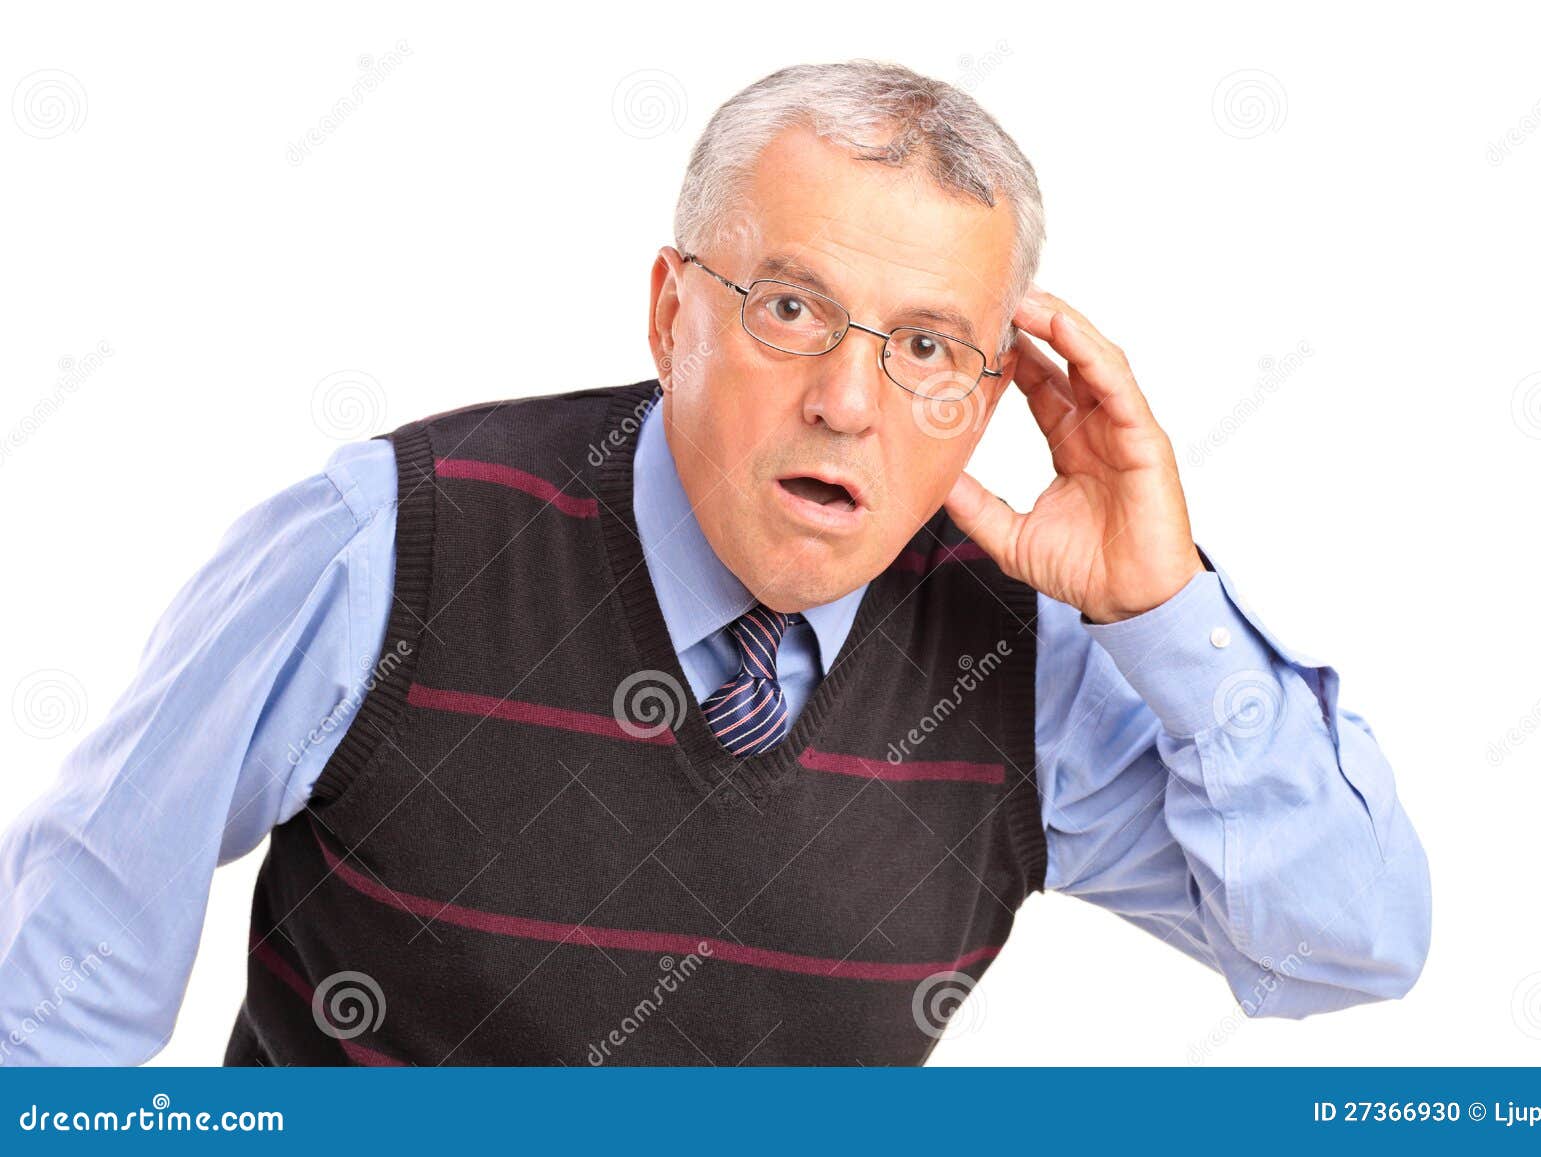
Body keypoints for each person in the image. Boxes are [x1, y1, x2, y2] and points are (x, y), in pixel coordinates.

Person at [0, 60, 1429, 1067]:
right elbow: (69, 968)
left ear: (991, 398)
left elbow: (1344, 946)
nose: (849, 399)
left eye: (928, 346)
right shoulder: (387, 545)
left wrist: (1168, 613)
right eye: (793, 307)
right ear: (671, 308)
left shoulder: (1023, 658)